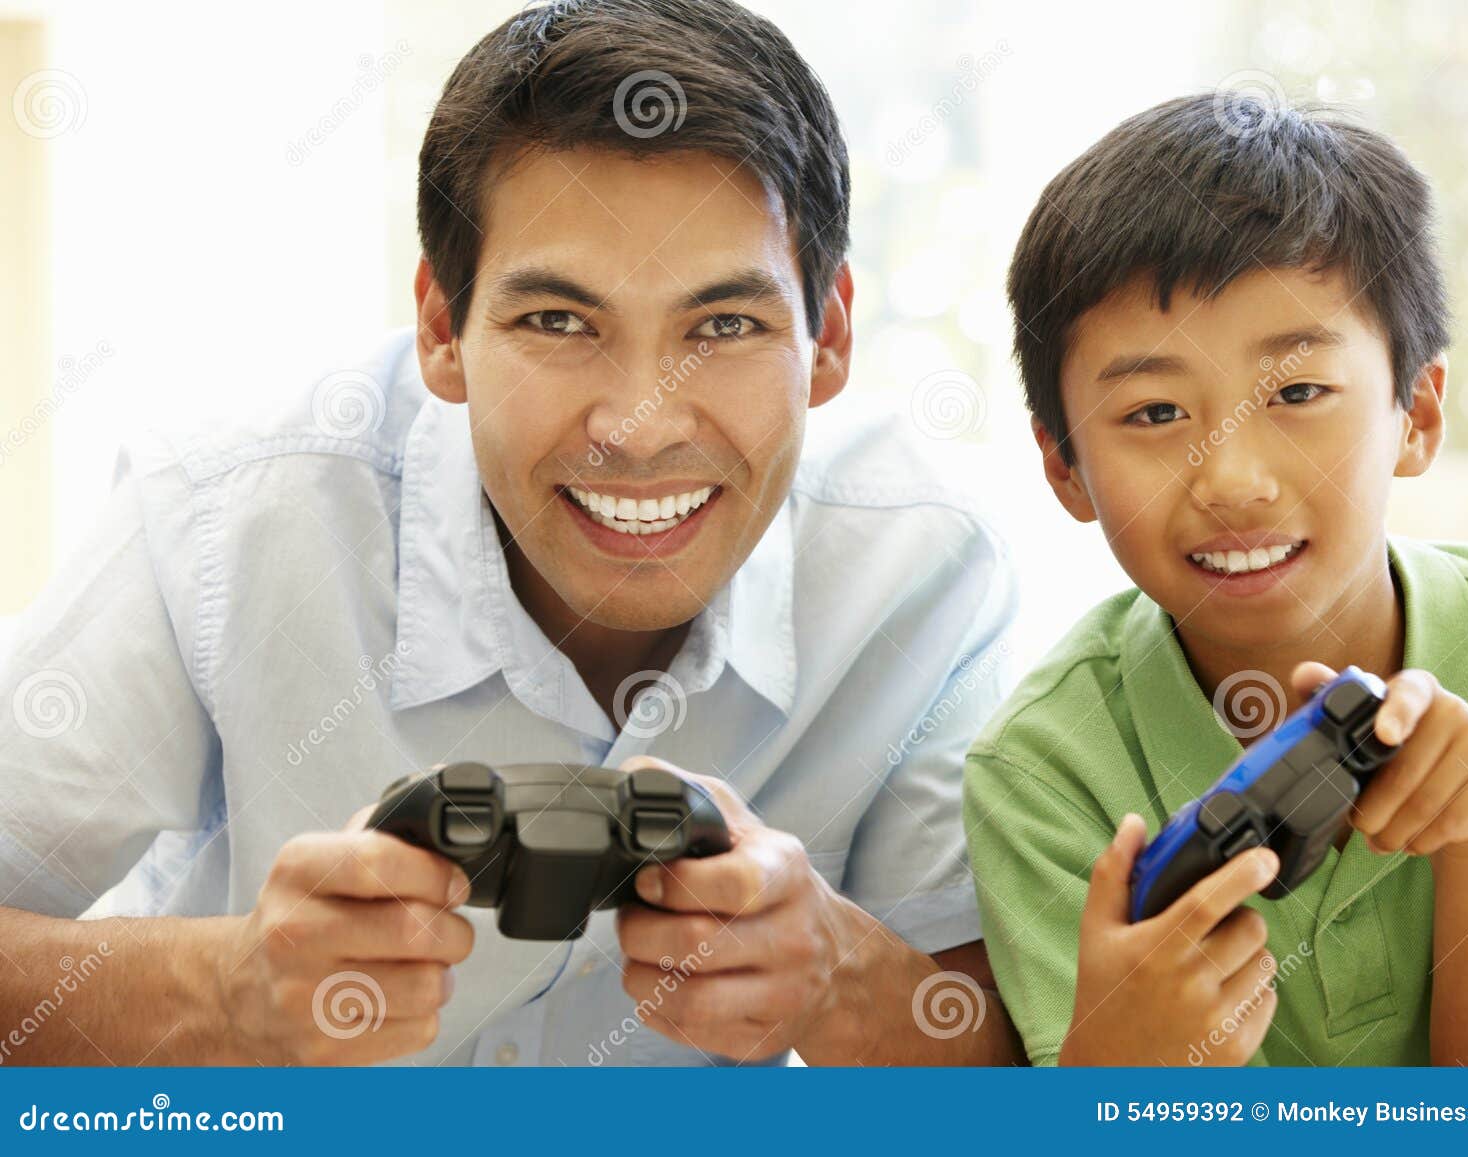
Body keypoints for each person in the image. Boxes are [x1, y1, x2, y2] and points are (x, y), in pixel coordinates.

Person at [0, 0, 1023, 1067]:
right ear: (443, 327)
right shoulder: (220, 518)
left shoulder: (924, 573)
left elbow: (1016, 1064)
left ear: (829, 336)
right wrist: (226, 989)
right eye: (556, 321)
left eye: (724, 324)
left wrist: (840, 976)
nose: (638, 424)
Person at [963, 93, 1468, 1066]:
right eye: (1152, 413)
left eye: (1298, 393)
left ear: (1416, 411)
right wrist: (1120, 1066)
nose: (1232, 479)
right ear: (1062, 466)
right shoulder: (1040, 771)